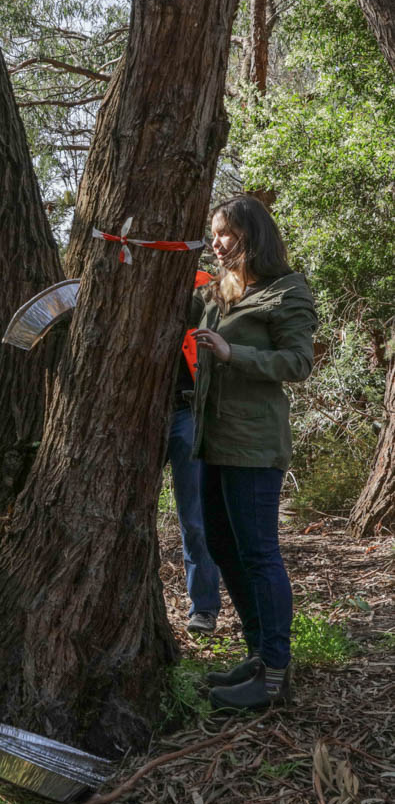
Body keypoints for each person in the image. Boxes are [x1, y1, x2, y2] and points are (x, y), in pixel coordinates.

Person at [189, 196, 317, 711]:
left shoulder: (288, 291)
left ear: (253, 235)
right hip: (212, 442)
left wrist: (231, 352)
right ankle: (257, 657)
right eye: (214, 234)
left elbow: (299, 362)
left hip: (255, 446)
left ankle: (275, 672)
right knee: (222, 547)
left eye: (226, 234)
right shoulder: (220, 290)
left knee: (259, 553)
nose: (217, 244)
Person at [168, 271, 221, 635]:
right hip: (134, 414)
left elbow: (191, 310)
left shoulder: (195, 302)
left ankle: (203, 607)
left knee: (195, 517)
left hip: (184, 412)